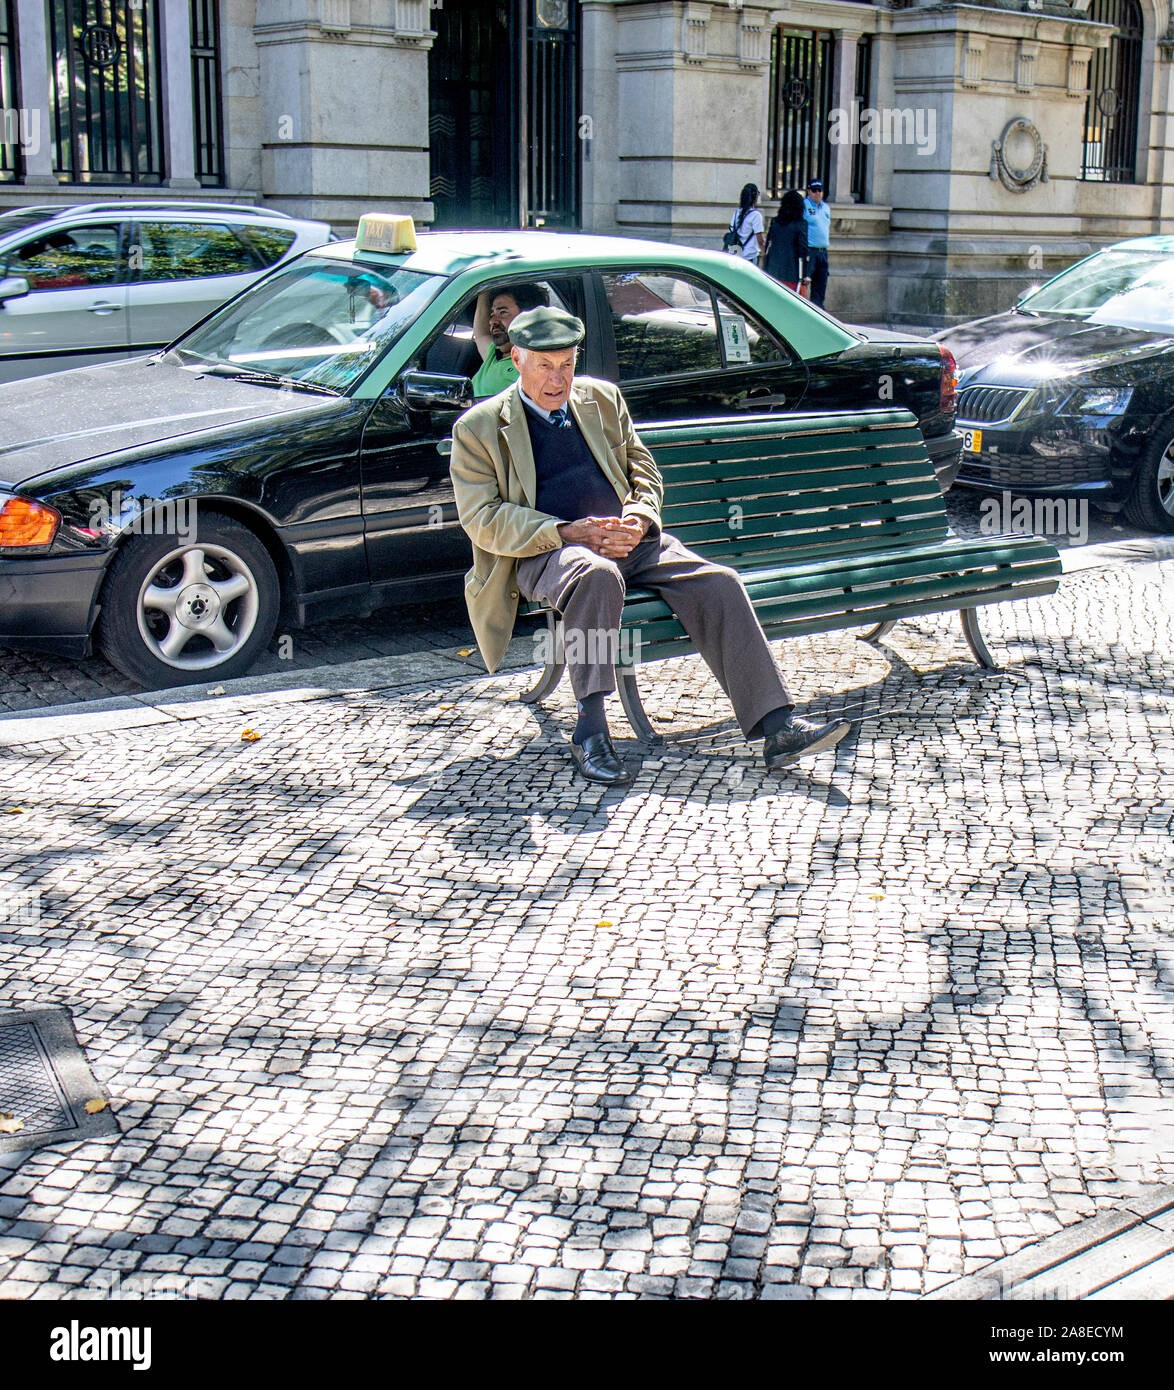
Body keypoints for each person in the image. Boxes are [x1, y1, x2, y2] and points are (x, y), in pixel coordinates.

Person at [448, 306, 851, 786]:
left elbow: (644, 470)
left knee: (719, 583)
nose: (558, 379)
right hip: (545, 551)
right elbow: (483, 519)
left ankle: (777, 727)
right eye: (544, 365)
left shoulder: (602, 398)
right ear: (516, 359)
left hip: (627, 539)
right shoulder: (479, 427)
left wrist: (640, 517)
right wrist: (569, 531)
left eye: (567, 364)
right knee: (595, 575)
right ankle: (591, 730)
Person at [470, 282, 550, 399]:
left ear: (527, 318)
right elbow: (481, 333)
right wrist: (484, 285)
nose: (493, 321)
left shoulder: (531, 365)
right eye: (492, 313)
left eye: (502, 312)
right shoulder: (494, 354)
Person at [763, 189, 810, 293]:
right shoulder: (801, 224)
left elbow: (768, 246)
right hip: (792, 274)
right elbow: (803, 250)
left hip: (773, 271)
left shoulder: (775, 222)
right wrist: (804, 275)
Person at [803, 179, 831, 308]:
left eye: (820, 190)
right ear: (809, 191)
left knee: (820, 286)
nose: (817, 193)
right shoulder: (805, 205)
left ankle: (818, 310)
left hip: (823, 251)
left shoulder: (826, 207)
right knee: (804, 283)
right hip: (810, 251)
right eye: (814, 190)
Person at [726, 183, 765, 264]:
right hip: (749, 255)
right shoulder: (756, 215)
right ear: (755, 197)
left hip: (736, 254)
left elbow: (732, 229)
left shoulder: (737, 213)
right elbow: (760, 239)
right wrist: (764, 253)